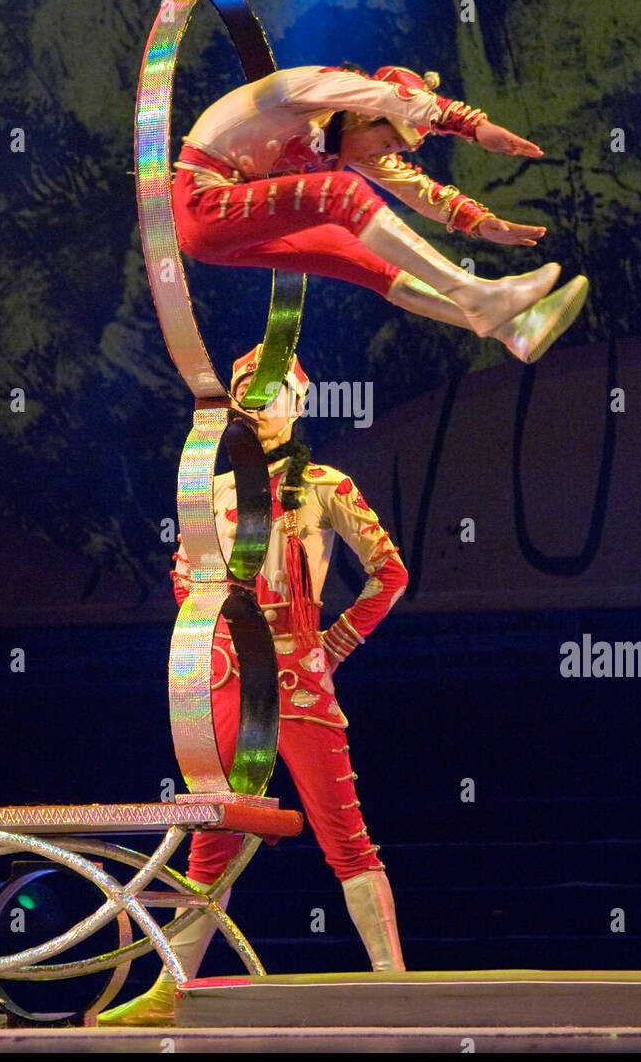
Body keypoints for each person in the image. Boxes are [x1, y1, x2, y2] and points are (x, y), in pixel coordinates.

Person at [100, 345, 409, 1025]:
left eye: (275, 391)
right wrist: (211, 628)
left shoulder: (326, 483)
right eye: (248, 390)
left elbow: (390, 573)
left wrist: (337, 641)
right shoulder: (209, 492)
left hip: (298, 681)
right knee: (213, 839)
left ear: (299, 401)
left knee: (345, 838)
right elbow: (186, 582)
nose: (260, 402)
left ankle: (394, 986)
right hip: (228, 678)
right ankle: (170, 994)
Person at [171, 62, 589, 364]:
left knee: (364, 257)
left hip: (235, 231)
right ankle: (478, 295)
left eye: (397, 148)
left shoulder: (344, 142)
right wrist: (472, 126)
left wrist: (478, 222)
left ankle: (513, 330)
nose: (386, 154)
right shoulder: (297, 91)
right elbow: (381, 95)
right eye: (386, 140)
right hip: (202, 202)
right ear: (361, 115)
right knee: (343, 192)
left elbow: (414, 187)